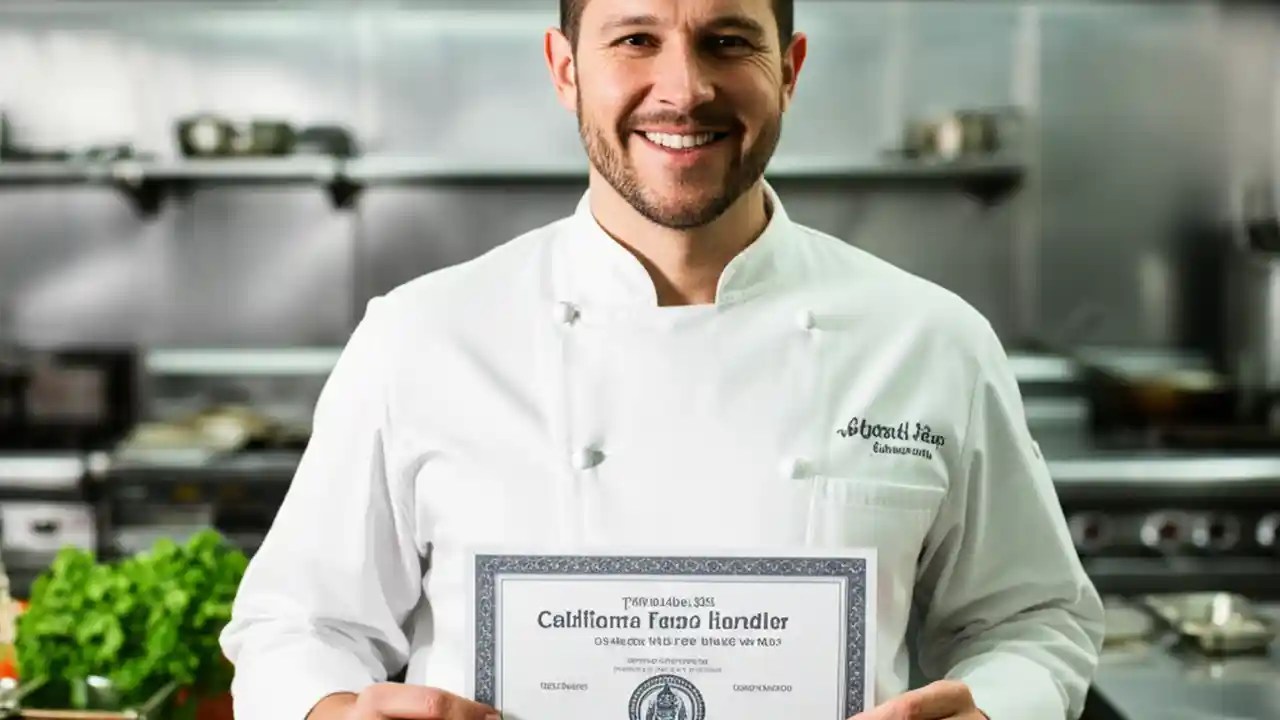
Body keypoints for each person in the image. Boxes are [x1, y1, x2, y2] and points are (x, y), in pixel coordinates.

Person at [219, 0, 1105, 718]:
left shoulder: (932, 339)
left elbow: (1035, 620)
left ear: (789, 69)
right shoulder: (419, 336)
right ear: (566, 69)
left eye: (727, 41)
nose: (683, 89)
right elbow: (296, 625)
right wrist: (332, 711)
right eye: (636, 39)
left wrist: (993, 708)